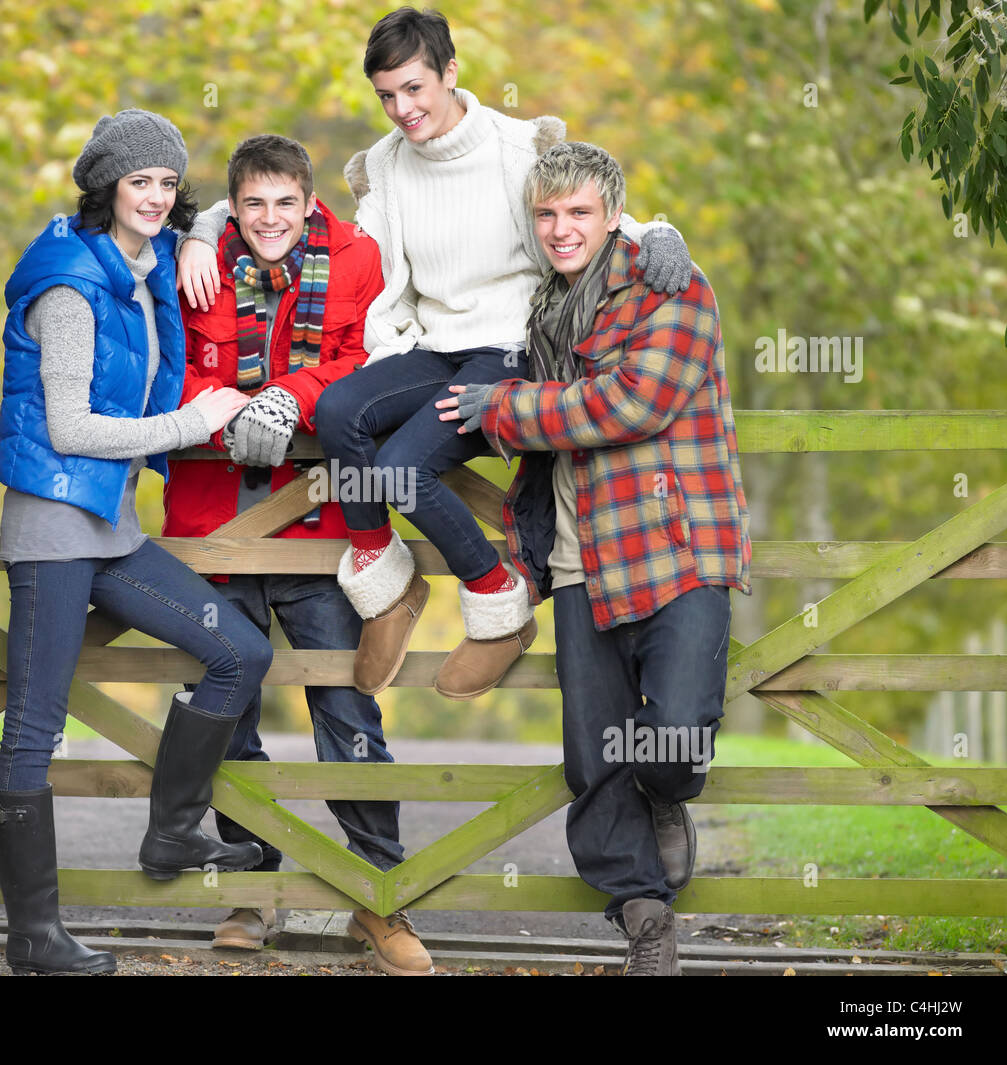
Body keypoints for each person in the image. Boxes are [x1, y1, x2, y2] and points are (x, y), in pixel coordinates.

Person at [180, 6, 692, 705]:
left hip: (510, 351)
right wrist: (208, 226)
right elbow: (325, 234)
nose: (402, 109)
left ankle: (498, 597)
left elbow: (584, 206)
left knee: (400, 469)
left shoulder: (516, 149)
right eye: (386, 95)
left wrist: (658, 231)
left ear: (451, 73)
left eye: (415, 89)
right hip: (433, 347)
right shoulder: (387, 164)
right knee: (337, 410)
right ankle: (385, 585)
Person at [438, 141, 751, 976]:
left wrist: (504, 408)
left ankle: (666, 793)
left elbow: (632, 401)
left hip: (675, 546)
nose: (560, 229)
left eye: (578, 212)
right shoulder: (539, 306)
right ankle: (645, 917)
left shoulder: (671, 285)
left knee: (677, 735)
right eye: (546, 214)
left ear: (615, 214)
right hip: (577, 560)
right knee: (594, 754)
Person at [0, 109, 274, 976]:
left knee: (238, 651)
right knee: (33, 729)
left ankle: (173, 831)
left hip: (109, 528)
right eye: (137, 182)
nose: (153, 197)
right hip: (51, 529)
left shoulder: (141, 264)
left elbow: (246, 216)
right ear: (104, 188)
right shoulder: (73, 287)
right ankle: (33, 936)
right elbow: (71, 427)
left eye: (165, 184)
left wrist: (200, 231)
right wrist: (192, 419)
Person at [161, 133, 432, 976]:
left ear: (311, 204)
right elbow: (161, 366)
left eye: (286, 202)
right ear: (231, 211)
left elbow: (366, 359)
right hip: (214, 524)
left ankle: (377, 894)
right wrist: (225, 403)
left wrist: (291, 393)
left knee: (348, 712)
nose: (270, 218)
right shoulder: (191, 264)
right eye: (252, 205)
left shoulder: (357, 259)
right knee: (227, 710)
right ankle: (252, 882)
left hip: (316, 526)